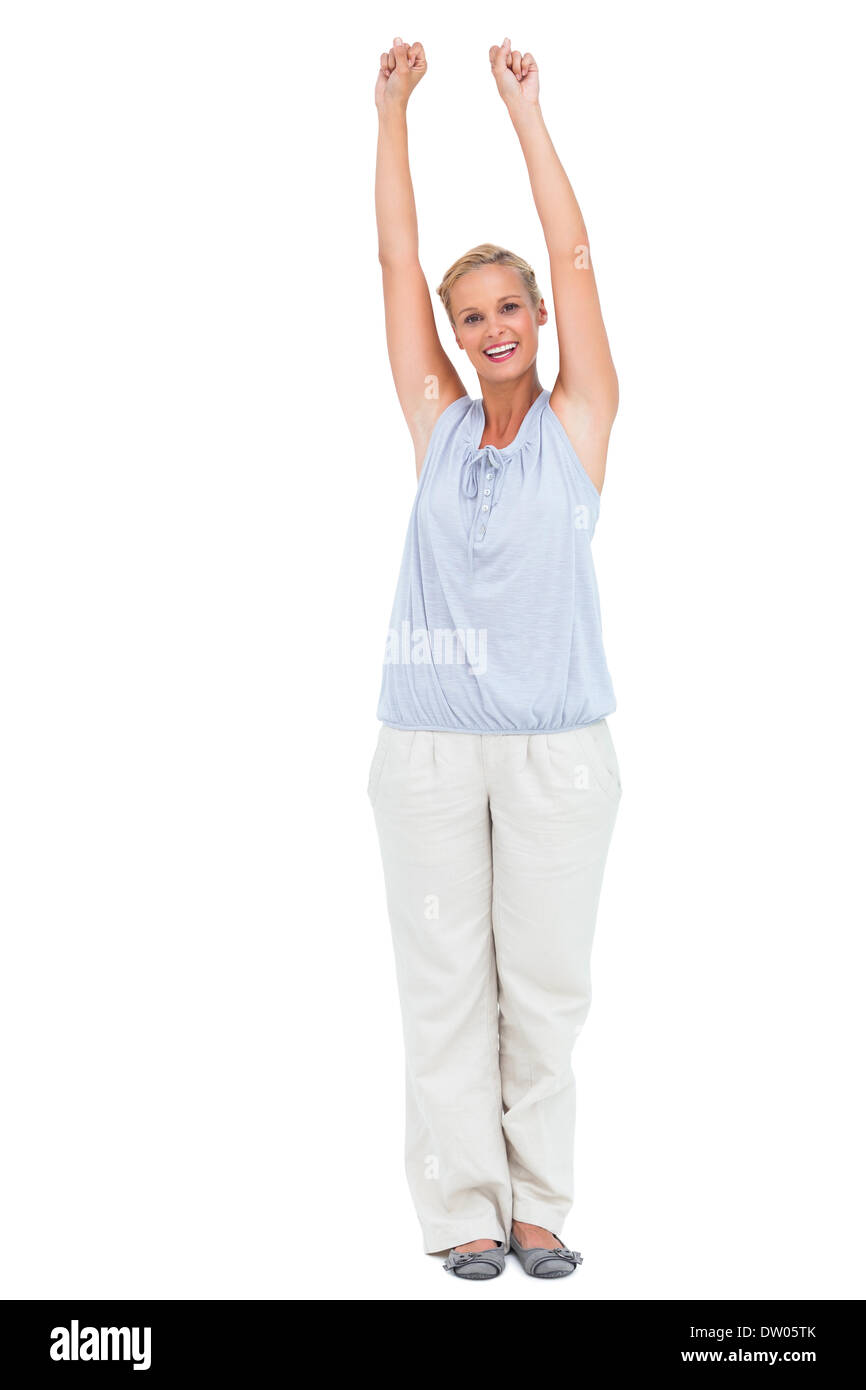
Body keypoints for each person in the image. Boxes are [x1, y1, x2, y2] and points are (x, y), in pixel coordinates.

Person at [368, 35, 622, 1282]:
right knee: (443, 985)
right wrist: (392, 115)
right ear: (456, 338)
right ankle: (464, 1207)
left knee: (545, 987)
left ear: (533, 315)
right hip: (423, 743)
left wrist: (523, 109)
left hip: (556, 748)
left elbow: (573, 256)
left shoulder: (579, 424)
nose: (492, 329)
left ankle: (539, 1209)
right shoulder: (437, 426)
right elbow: (393, 265)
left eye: (508, 308)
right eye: (471, 319)